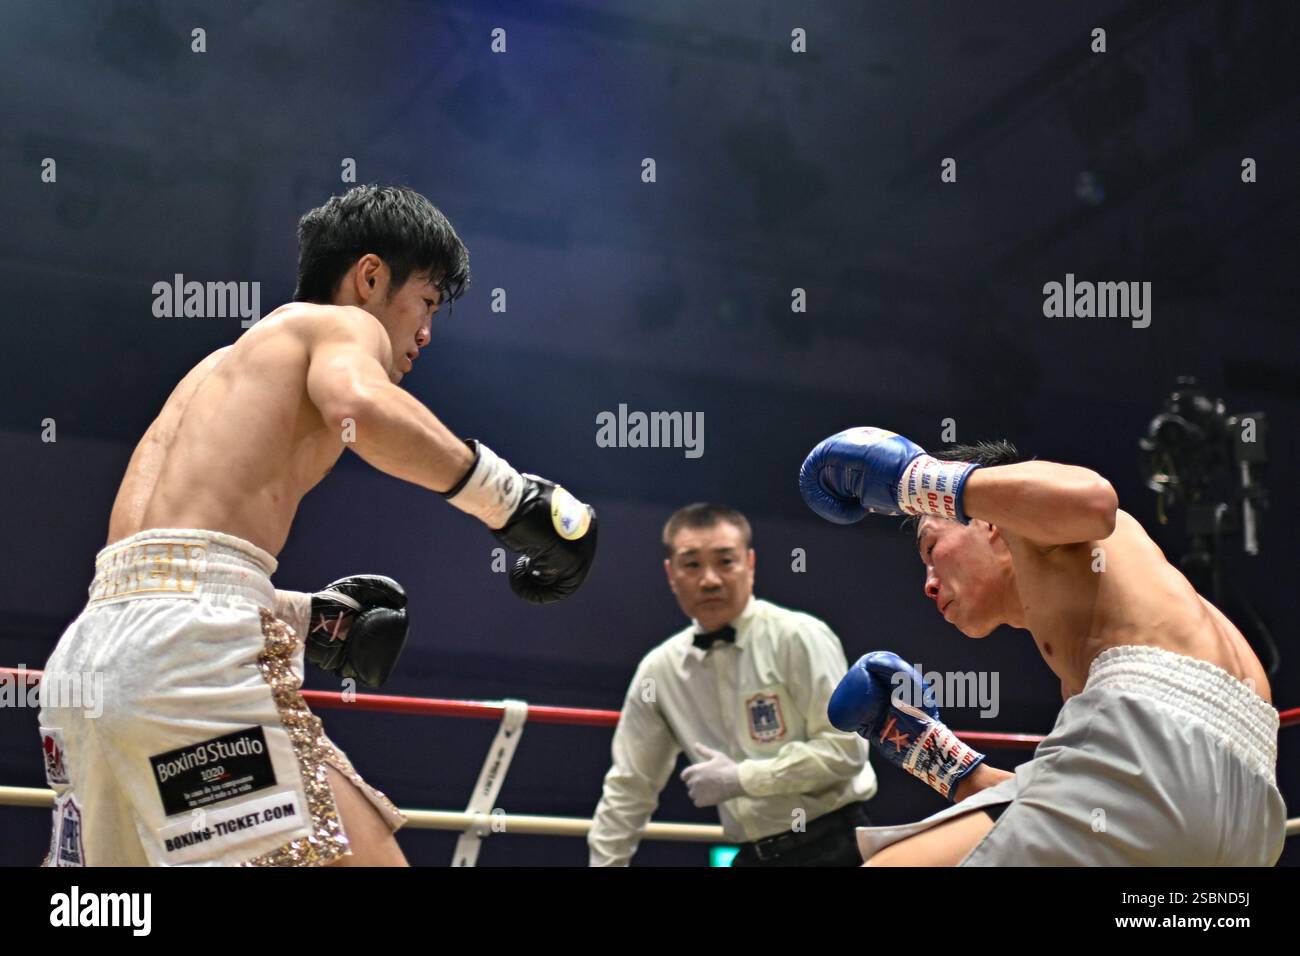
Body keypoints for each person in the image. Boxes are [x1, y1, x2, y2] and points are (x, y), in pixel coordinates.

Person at [37, 184, 598, 867]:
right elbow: (358, 405)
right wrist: (510, 501)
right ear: (369, 277)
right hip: (186, 669)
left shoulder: (213, 373)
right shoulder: (338, 325)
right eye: (425, 301)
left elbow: (149, 574)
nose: (426, 332)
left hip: (88, 668)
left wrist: (308, 620)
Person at [800, 426, 1285, 866]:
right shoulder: (1117, 638)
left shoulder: (1037, 521)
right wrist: (931, 752)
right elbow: (1072, 814)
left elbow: (1094, 500)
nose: (928, 583)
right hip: (1247, 823)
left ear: (989, 523)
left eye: (931, 549)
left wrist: (915, 478)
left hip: (1160, 779)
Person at [588, 503, 875, 867]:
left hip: (836, 846)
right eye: (691, 564)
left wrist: (744, 777)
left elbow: (846, 751)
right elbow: (630, 786)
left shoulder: (799, 636)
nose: (709, 579)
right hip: (751, 855)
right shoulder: (659, 671)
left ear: (750, 563)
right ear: (670, 573)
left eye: (725, 561)